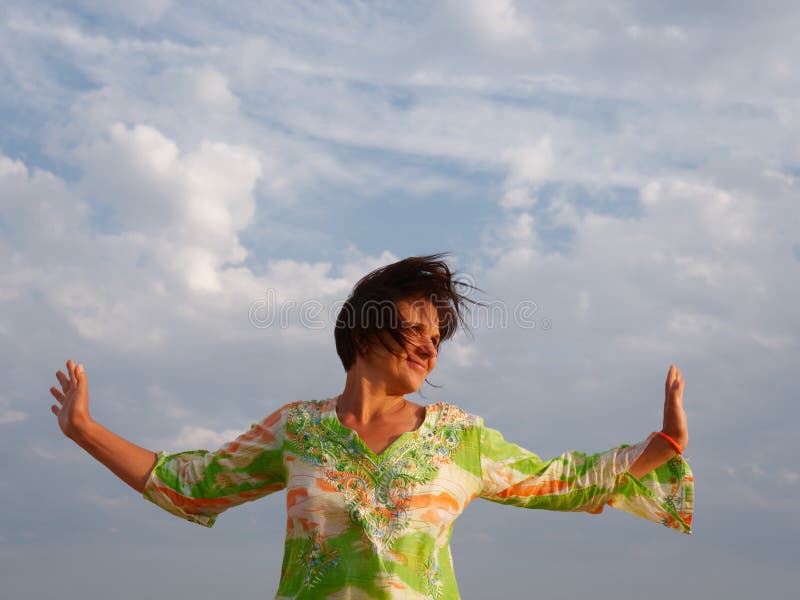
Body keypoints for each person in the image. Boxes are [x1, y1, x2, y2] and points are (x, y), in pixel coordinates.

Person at [49, 253, 692, 599]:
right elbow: (192, 484)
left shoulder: (458, 438)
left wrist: (662, 447)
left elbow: (559, 480)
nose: (427, 346)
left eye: (436, 338)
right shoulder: (297, 429)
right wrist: (85, 429)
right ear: (364, 328)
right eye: (413, 327)